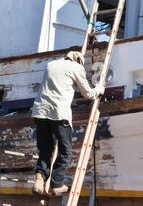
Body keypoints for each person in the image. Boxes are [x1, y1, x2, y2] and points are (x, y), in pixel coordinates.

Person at [33, 49, 99, 198]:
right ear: (78, 61)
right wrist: (99, 90)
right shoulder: (76, 67)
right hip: (59, 114)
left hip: (39, 111)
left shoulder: (51, 64)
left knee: (45, 149)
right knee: (65, 151)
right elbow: (88, 94)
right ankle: (57, 185)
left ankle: (39, 181)